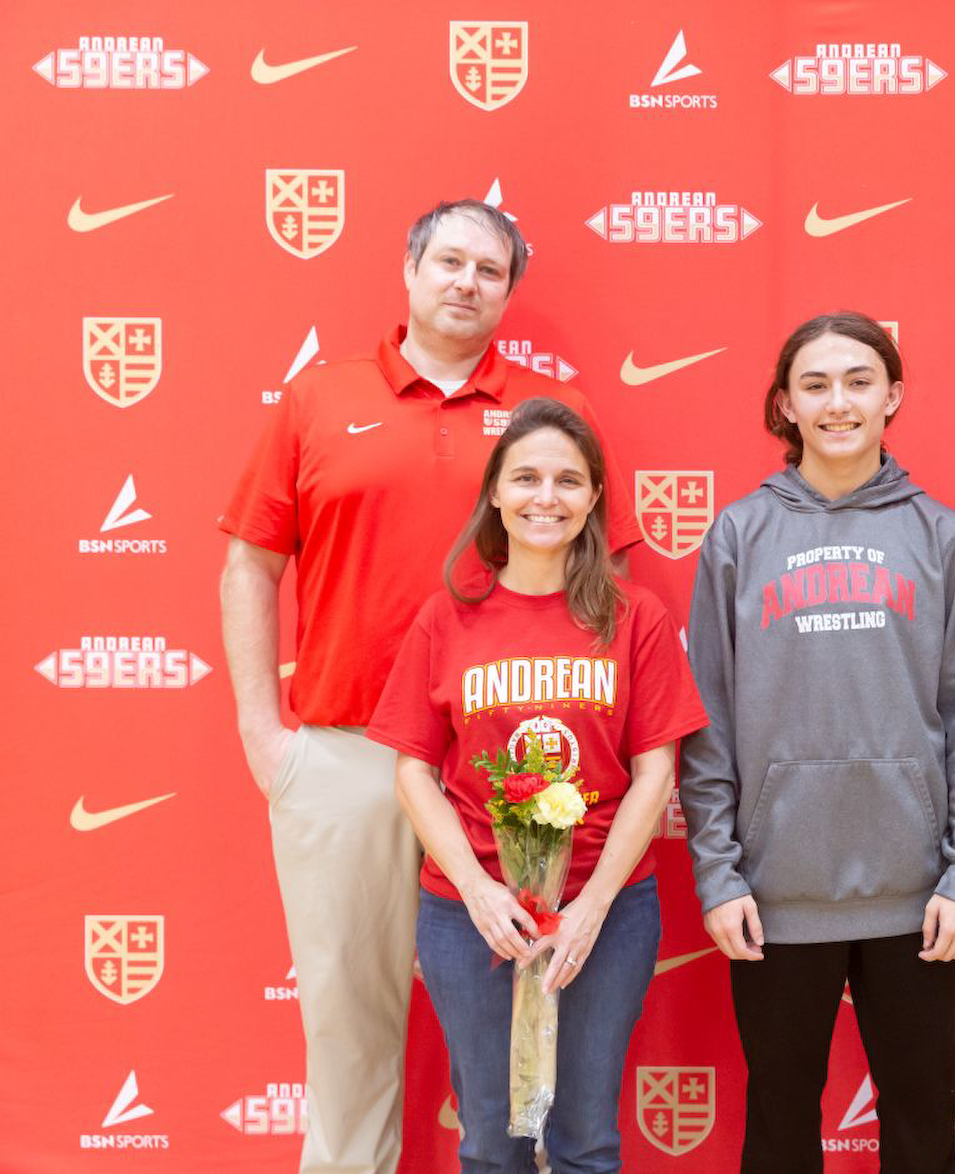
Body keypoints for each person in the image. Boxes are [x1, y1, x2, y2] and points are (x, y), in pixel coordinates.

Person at [218, 200, 640, 1174]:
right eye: (448, 261)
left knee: (528, 1020)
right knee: (348, 1018)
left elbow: (603, 585)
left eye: (489, 271)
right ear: (409, 268)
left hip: (513, 775)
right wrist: (263, 733)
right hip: (349, 750)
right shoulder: (318, 400)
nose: (465, 282)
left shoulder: (547, 414)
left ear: (509, 293)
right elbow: (247, 564)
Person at [679, 311, 955, 1174]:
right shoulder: (739, 536)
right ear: (784, 404)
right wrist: (717, 871)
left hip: (919, 899)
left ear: (893, 395)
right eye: (814, 385)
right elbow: (705, 726)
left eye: (858, 381)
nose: (838, 403)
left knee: (924, 1126)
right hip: (775, 898)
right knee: (780, 1127)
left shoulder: (940, 536)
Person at [365, 397, 707, 1172]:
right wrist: (480, 894)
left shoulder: (635, 618)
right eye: (525, 478)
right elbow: (414, 771)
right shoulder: (446, 619)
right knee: (494, 1142)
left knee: (587, 1141)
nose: (544, 497)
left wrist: (590, 910)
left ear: (593, 499)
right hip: (470, 918)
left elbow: (657, 771)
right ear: (494, 492)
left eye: (567, 480)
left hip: (606, 913)